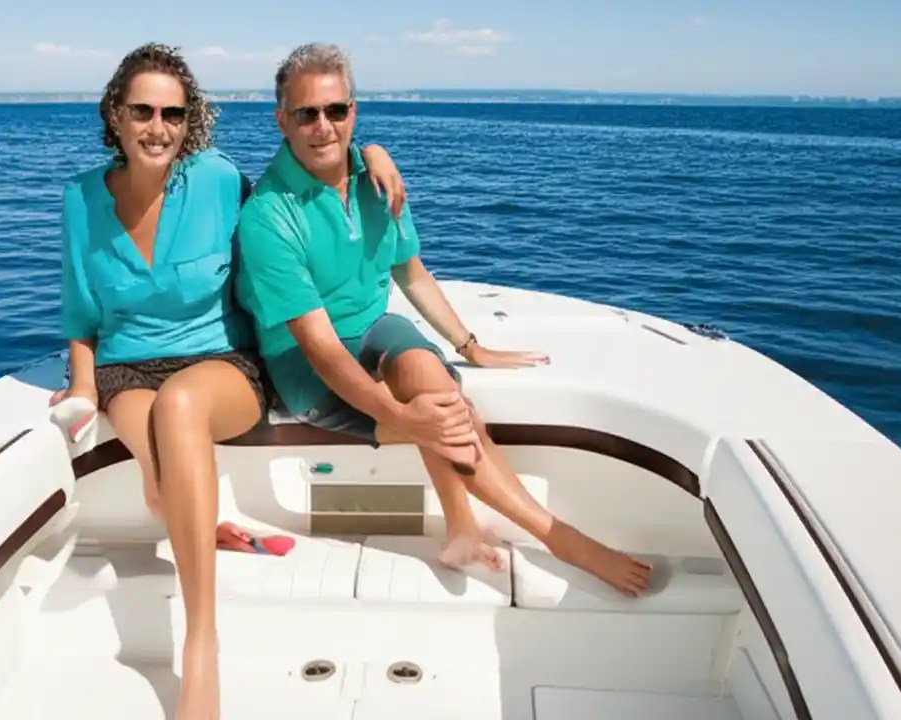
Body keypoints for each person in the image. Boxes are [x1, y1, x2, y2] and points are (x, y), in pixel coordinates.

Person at [51, 43, 409, 720]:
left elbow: (303, 177)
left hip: (222, 362)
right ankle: (205, 521)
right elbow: (79, 313)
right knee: (161, 485)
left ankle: (202, 649)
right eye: (143, 111)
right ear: (116, 116)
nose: (158, 127)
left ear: (191, 123)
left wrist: (372, 155)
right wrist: (80, 389)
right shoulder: (79, 199)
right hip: (127, 366)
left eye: (174, 114)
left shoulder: (216, 179)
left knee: (180, 409)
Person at [235, 43, 653, 597]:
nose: (323, 127)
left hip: (372, 328)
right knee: (444, 415)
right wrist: (403, 419)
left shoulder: (373, 179)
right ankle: (558, 538)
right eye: (306, 113)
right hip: (308, 368)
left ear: (353, 113)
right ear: (282, 121)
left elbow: (412, 274)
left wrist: (470, 345)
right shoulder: (268, 214)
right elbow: (322, 350)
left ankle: (462, 530)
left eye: (336, 111)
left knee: (436, 388)